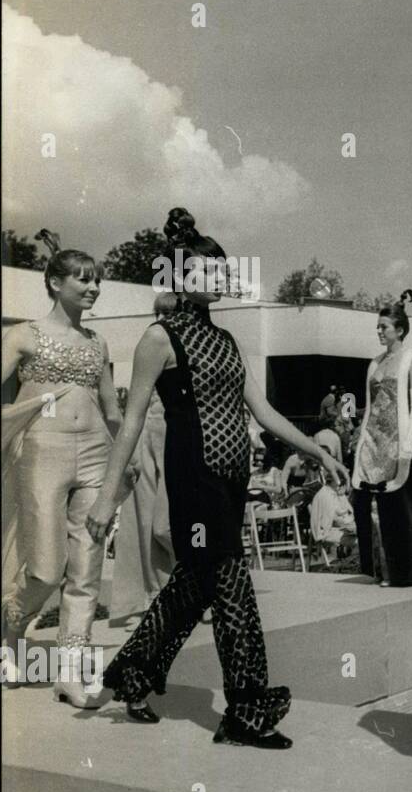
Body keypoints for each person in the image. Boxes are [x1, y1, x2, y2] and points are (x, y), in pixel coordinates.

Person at [85, 207, 346, 747]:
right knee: (230, 583)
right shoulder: (159, 337)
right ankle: (246, 711)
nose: (220, 279)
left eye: (223, 271)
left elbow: (266, 414)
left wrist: (319, 452)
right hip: (193, 476)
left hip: (230, 477)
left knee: (195, 584)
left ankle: (133, 674)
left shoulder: (227, 341)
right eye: (207, 272)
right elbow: (131, 421)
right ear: (179, 278)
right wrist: (106, 499)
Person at [1, 232, 120, 706]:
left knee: (87, 566)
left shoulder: (98, 341)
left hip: (95, 454)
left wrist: (125, 461)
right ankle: (10, 627)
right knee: (47, 569)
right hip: (41, 453)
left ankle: (70, 672)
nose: (93, 288)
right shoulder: (24, 334)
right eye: (83, 280)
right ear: (54, 282)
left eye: (97, 282)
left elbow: (113, 409)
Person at [349, 305, 412, 588]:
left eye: (384, 326)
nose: (379, 331)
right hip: (374, 443)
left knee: (403, 508)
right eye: (378, 327)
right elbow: (370, 406)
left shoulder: (411, 360)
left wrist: (407, 444)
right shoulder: (374, 363)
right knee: (374, 507)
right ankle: (382, 569)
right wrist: (360, 439)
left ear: (400, 330)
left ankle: (411, 569)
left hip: (399, 442)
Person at [110, 293, 180, 626]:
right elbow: (133, 408)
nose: (165, 318)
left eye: (171, 312)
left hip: (178, 440)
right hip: (145, 439)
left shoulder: (186, 349)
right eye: (160, 312)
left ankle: (192, 585)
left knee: (166, 524)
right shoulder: (150, 345)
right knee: (142, 521)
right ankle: (157, 595)